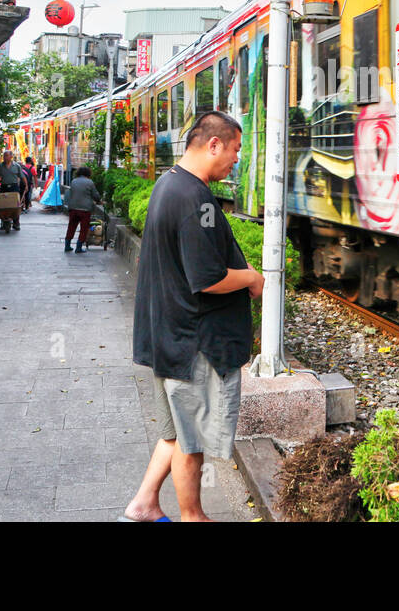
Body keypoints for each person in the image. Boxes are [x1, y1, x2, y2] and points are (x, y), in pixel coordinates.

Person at [125, 111, 264, 522]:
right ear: (214, 144)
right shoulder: (195, 198)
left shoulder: (169, 184)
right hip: (195, 342)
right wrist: (252, 278)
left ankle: (143, 504)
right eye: (235, 150)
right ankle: (193, 516)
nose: (236, 160)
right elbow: (207, 278)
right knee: (192, 441)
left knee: (175, 431)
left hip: (170, 338)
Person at [64, 167, 101, 253]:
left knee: (71, 227)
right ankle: (79, 247)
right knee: (84, 228)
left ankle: (67, 245)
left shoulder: (73, 181)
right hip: (85, 209)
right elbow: (95, 195)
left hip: (73, 208)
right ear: (88, 173)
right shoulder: (90, 182)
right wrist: (99, 200)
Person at [0, 150, 24, 232]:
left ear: (11, 157)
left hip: (14, 187)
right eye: (4, 156)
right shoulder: (0, 166)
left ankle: (16, 223)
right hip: (4, 187)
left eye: (6, 156)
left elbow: (22, 176)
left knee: (15, 205)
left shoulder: (17, 166)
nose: (5, 157)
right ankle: (3, 223)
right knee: (2, 206)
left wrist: (26, 186)